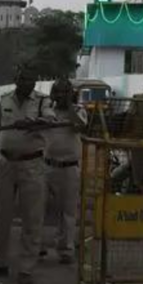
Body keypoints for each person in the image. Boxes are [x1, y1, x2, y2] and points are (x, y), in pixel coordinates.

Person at [0, 66, 56, 284]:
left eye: (32, 80)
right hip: (6, 162)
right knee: (1, 216)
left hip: (31, 164)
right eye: (24, 79)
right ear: (16, 80)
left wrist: (32, 123)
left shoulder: (43, 102)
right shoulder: (5, 100)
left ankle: (26, 268)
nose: (28, 84)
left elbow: (51, 121)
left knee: (31, 218)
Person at [44, 78, 87, 265]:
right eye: (58, 91)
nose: (61, 95)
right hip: (46, 166)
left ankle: (66, 249)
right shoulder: (47, 111)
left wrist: (69, 106)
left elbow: (80, 126)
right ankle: (38, 246)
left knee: (68, 211)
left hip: (69, 167)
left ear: (71, 94)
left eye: (65, 92)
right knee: (38, 208)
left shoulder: (78, 110)